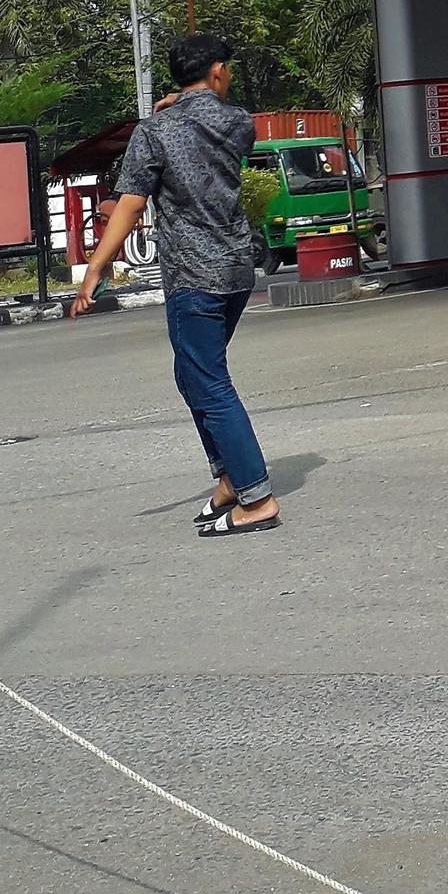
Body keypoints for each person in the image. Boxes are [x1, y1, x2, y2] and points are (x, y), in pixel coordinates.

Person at [70, 32, 281, 537]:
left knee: (207, 380)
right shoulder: (239, 124)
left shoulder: (155, 131)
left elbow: (132, 203)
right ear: (215, 72)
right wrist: (180, 107)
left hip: (193, 276)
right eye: (226, 69)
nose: (227, 75)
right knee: (194, 375)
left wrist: (96, 269)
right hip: (234, 271)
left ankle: (257, 498)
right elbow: (209, 122)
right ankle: (230, 479)